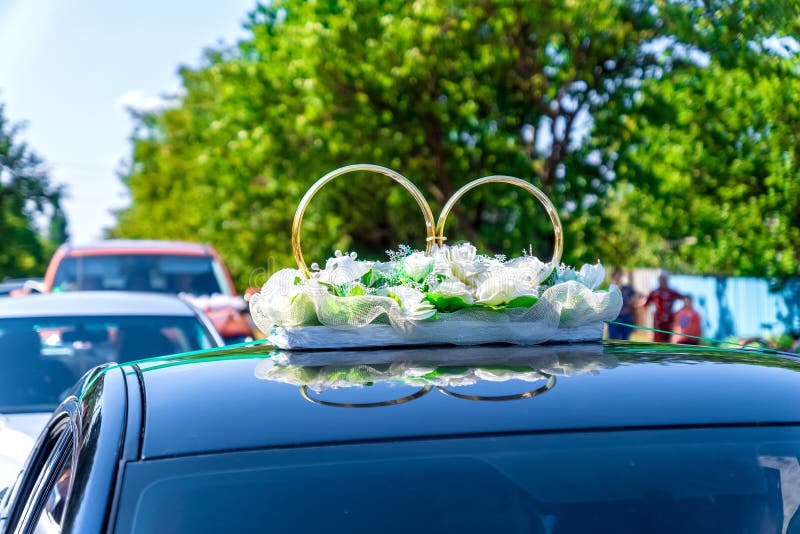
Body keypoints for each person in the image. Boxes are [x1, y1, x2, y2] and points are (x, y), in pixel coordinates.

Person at [641, 273, 683, 342]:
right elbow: (645, 304)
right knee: (657, 339)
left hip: (669, 319)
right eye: (661, 279)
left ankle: (666, 352)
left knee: (668, 339)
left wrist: (678, 313)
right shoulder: (654, 292)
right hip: (658, 320)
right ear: (658, 281)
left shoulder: (672, 292)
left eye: (664, 279)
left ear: (667, 280)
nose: (663, 281)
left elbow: (684, 299)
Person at [607, 268, 637, 340]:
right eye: (616, 276)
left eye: (619, 275)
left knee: (625, 342)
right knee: (612, 342)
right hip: (613, 320)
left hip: (626, 319)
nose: (618, 278)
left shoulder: (628, 288)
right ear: (613, 277)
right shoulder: (609, 289)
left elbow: (635, 300)